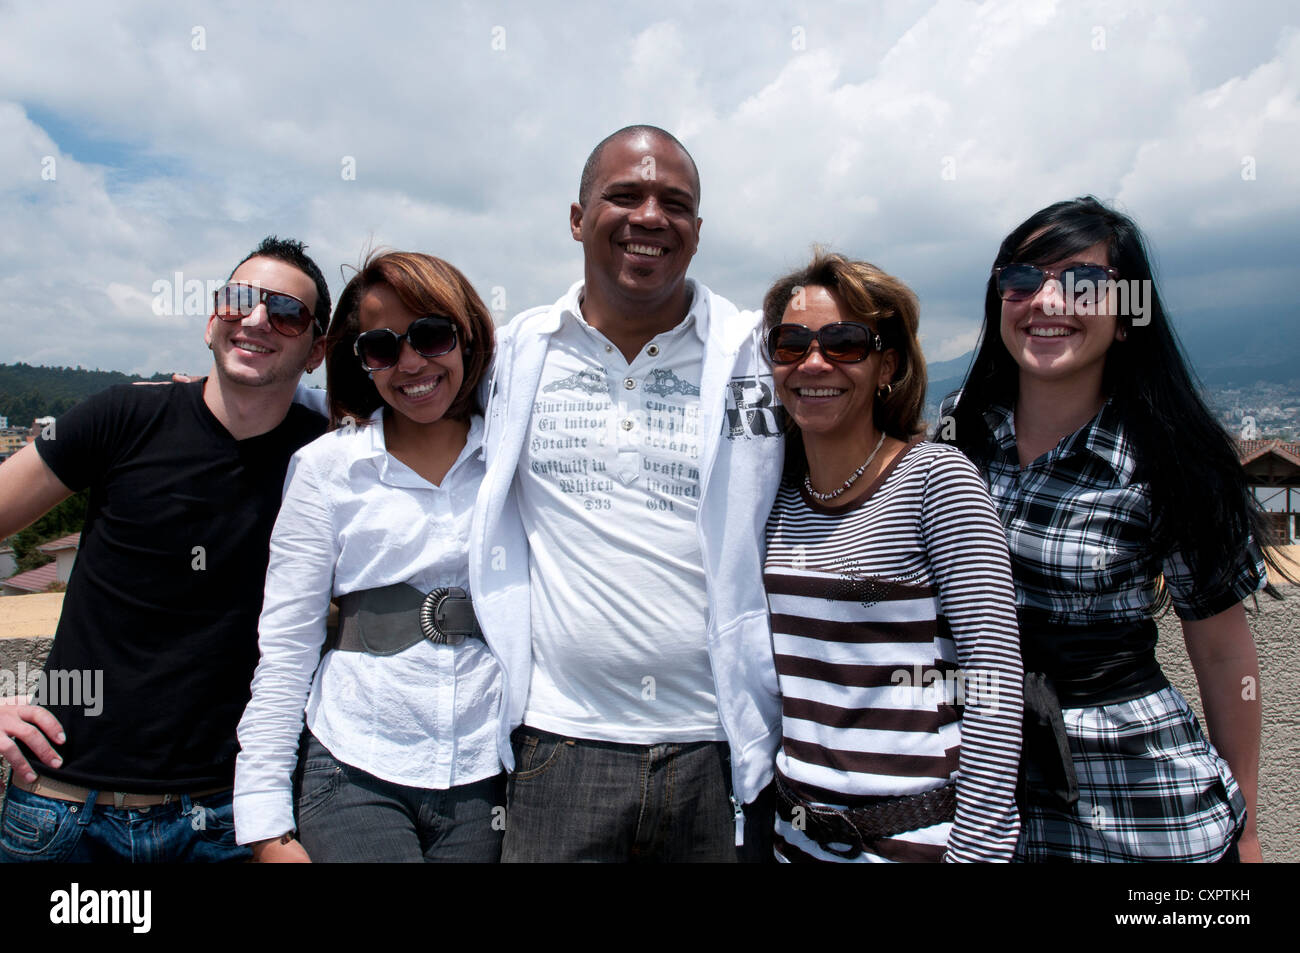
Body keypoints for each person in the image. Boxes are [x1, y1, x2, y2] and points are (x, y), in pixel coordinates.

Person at [470, 124, 785, 861]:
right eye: (624, 196)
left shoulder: (755, 354)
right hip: (559, 743)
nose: (650, 216)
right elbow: (413, 409)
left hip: (718, 748)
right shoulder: (516, 354)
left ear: (698, 233)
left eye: (674, 203)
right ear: (578, 219)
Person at [939, 196, 1281, 862]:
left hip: (1135, 796)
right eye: (1021, 278)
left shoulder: (1171, 456)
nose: (1046, 299)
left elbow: (1221, 650)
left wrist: (1249, 826)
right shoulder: (962, 433)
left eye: (1083, 283)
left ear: (1127, 317)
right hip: (982, 784)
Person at [0, 236, 330, 862]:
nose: (256, 319)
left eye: (286, 313)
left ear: (316, 350)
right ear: (213, 318)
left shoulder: (331, 459)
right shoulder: (124, 416)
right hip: (64, 808)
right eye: (239, 300)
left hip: (230, 820)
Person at [233, 250, 506, 863]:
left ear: (467, 337)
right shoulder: (327, 469)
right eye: (382, 348)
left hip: (490, 769)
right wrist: (265, 825)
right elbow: (286, 647)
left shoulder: (512, 462)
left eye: (431, 335)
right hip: (355, 766)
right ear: (361, 361)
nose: (411, 363)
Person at [761, 252, 1024, 862]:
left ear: (889, 365)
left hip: (915, 841)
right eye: (791, 343)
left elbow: (994, 679)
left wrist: (977, 854)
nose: (814, 362)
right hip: (795, 838)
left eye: (846, 342)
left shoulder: (936, 479)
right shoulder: (779, 498)